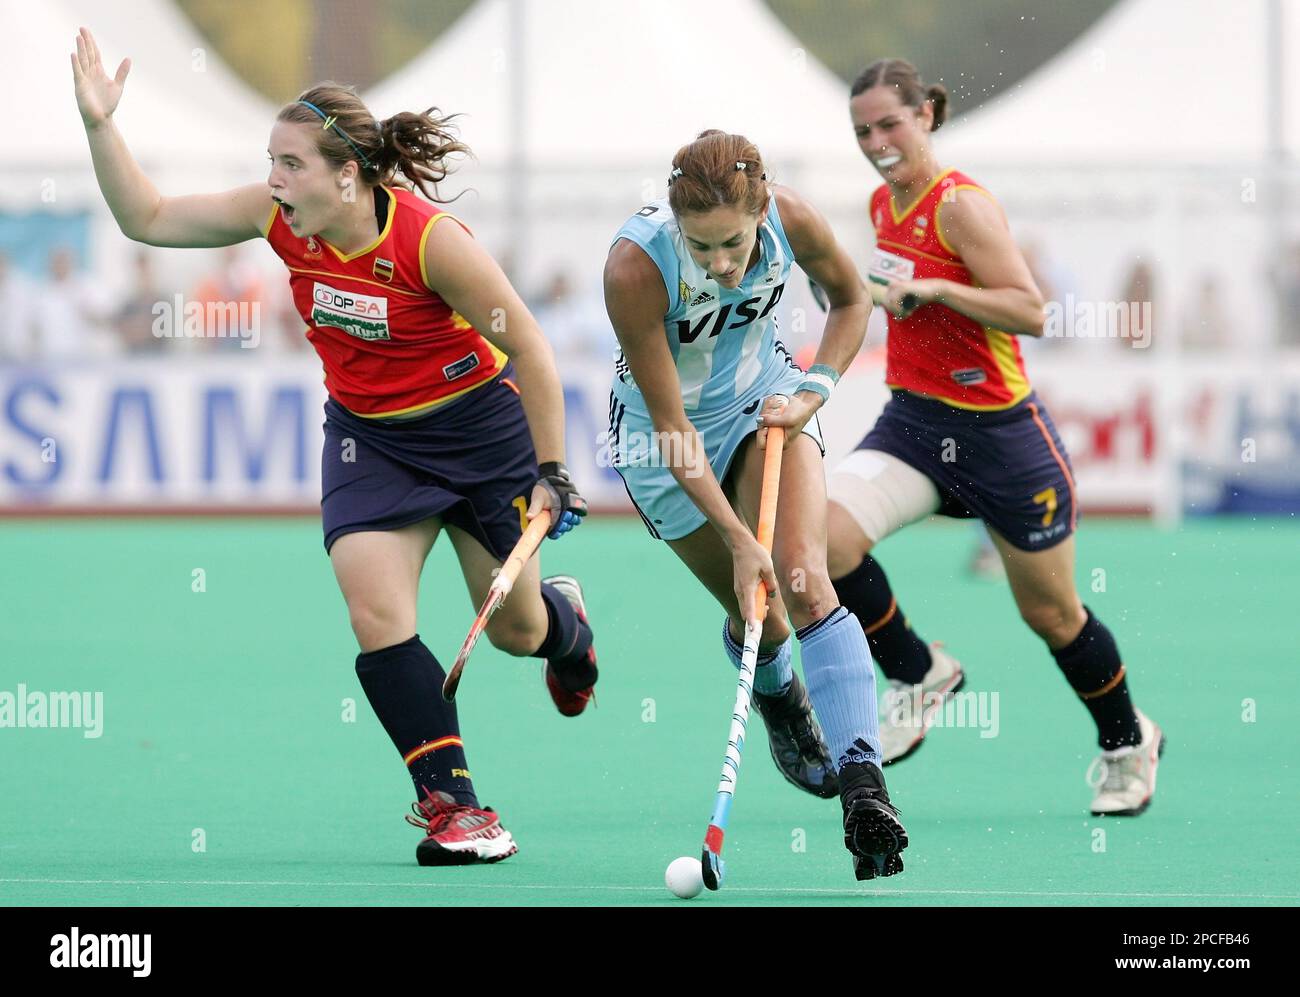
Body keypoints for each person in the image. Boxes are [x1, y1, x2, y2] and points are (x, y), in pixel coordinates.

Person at [72, 27, 597, 864]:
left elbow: (529, 347)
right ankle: (456, 806)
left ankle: (568, 627)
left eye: (291, 164)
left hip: (479, 434)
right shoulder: (277, 221)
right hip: (370, 441)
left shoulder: (431, 244)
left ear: (347, 173)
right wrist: (102, 125)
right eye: (270, 162)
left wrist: (552, 473)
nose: (273, 180)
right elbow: (149, 217)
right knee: (374, 611)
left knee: (517, 631)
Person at [825, 58, 1163, 816]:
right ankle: (921, 674)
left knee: (1052, 615)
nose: (877, 141)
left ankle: (1125, 741)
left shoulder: (962, 207)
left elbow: (1031, 310)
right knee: (823, 539)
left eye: (890, 123)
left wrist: (938, 288)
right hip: (913, 423)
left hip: (1002, 436)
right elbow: (888, 293)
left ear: (927, 117)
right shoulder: (882, 205)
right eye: (862, 131)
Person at [604, 129, 906, 880]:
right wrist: (740, 538)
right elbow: (673, 431)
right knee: (760, 613)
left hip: (761, 403)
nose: (719, 264)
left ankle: (866, 790)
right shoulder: (635, 267)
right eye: (701, 248)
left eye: (732, 245)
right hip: (661, 443)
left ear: (762, 207)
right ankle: (779, 699)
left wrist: (817, 389)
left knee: (802, 578)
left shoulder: (791, 219)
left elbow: (850, 299)